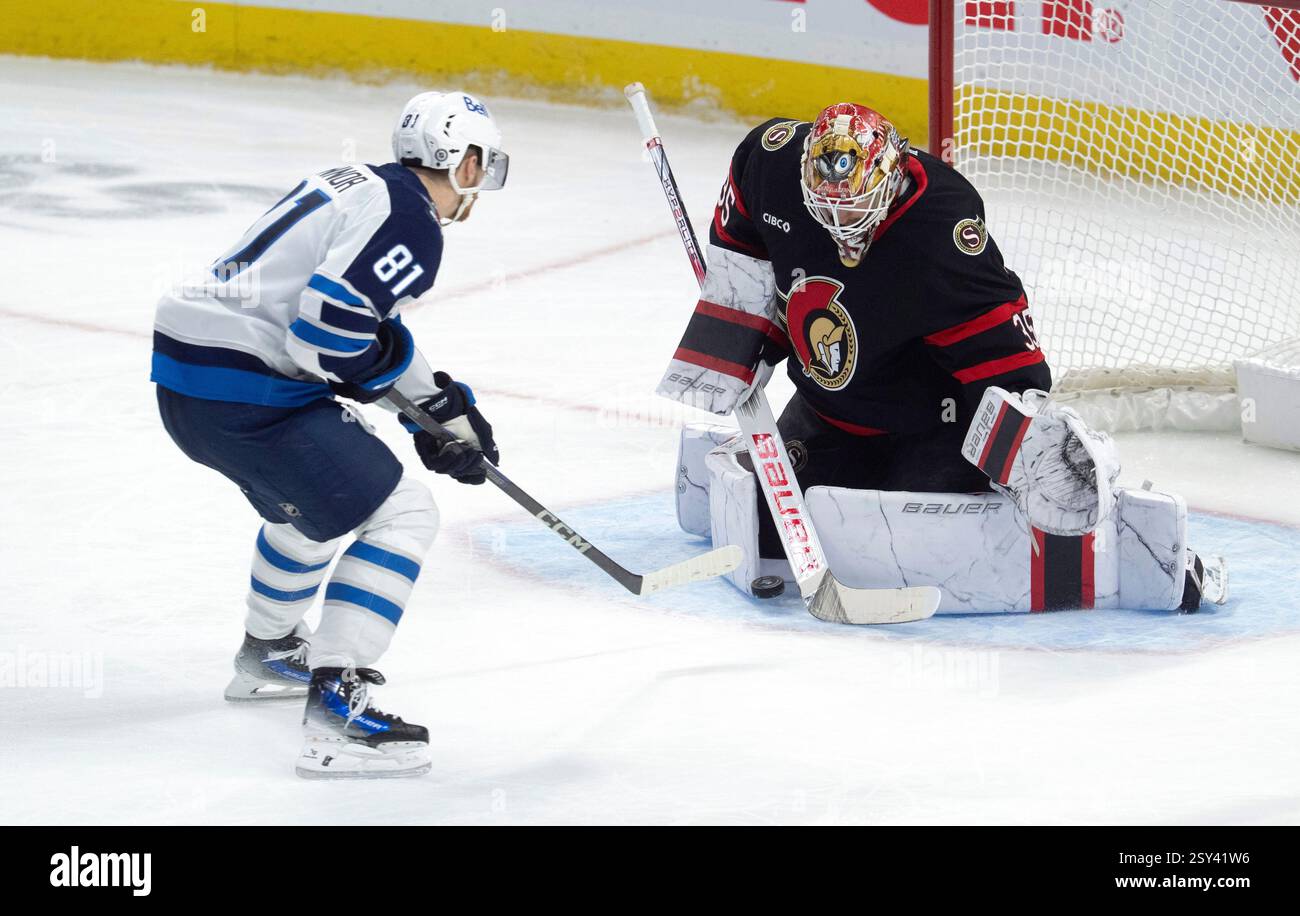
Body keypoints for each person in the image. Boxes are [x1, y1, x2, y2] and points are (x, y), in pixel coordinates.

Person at [659, 102, 1224, 613]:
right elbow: (747, 243)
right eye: (826, 209)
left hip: (934, 427)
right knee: (766, 527)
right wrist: (737, 336)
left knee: (913, 547)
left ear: (891, 173)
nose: (839, 227)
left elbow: (1005, 365)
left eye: (855, 209)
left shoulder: (943, 231)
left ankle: (1130, 542)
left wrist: (1030, 445)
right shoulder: (772, 162)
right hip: (830, 409)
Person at [151, 90, 507, 778]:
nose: (479, 184)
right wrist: (418, 418)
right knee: (403, 511)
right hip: (247, 390)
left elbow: (351, 327)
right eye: (479, 166)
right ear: (459, 163)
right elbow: (325, 339)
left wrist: (435, 403)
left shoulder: (364, 185)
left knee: (317, 510)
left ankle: (271, 651)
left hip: (188, 382)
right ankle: (337, 709)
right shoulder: (413, 220)